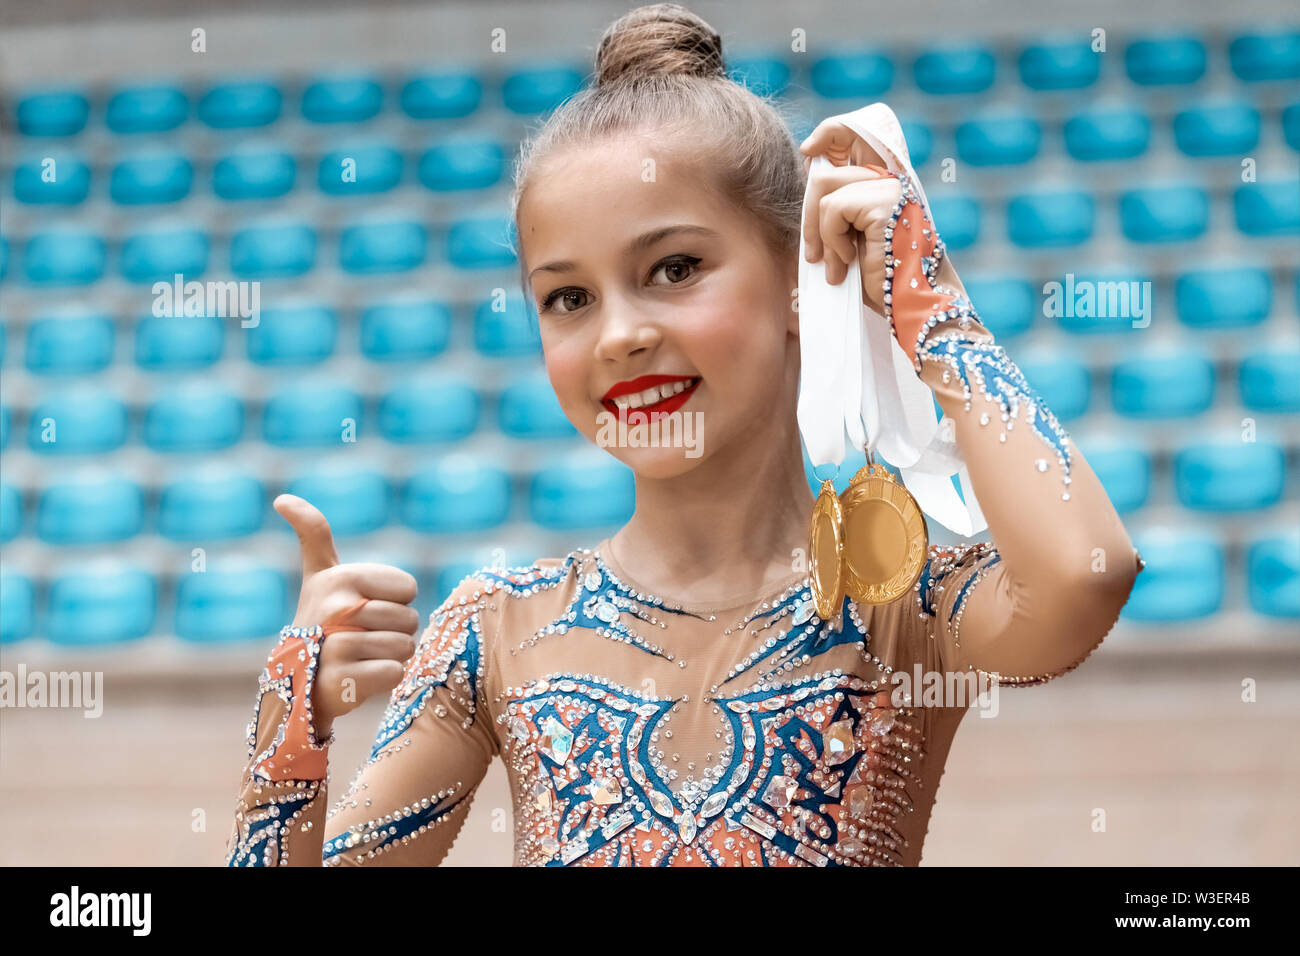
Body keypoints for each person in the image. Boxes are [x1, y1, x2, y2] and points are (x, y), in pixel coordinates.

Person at [225, 2, 1143, 867]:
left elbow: (1084, 575)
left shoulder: (908, 609)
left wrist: (930, 307)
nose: (620, 333)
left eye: (674, 268)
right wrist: (292, 716)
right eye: (569, 298)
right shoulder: (493, 631)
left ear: (802, 280)